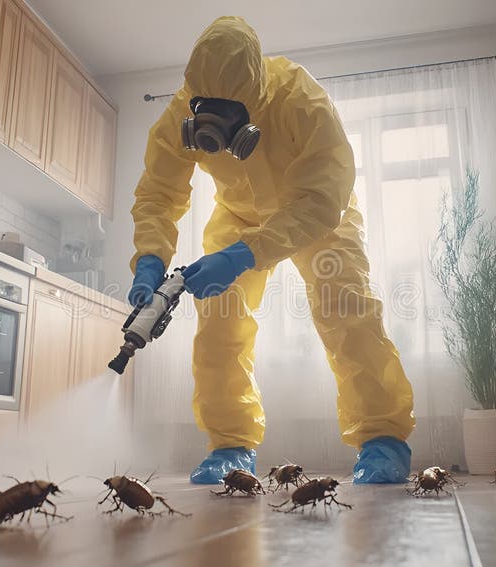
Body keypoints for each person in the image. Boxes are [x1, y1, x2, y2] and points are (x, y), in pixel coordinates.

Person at [128, 16, 415, 484]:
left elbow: (323, 196)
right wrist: (149, 258)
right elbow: (158, 195)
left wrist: (243, 255)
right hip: (239, 214)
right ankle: (230, 445)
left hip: (318, 211)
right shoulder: (182, 113)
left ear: (255, 101)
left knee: (347, 308)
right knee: (220, 320)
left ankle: (383, 438)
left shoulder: (301, 100)